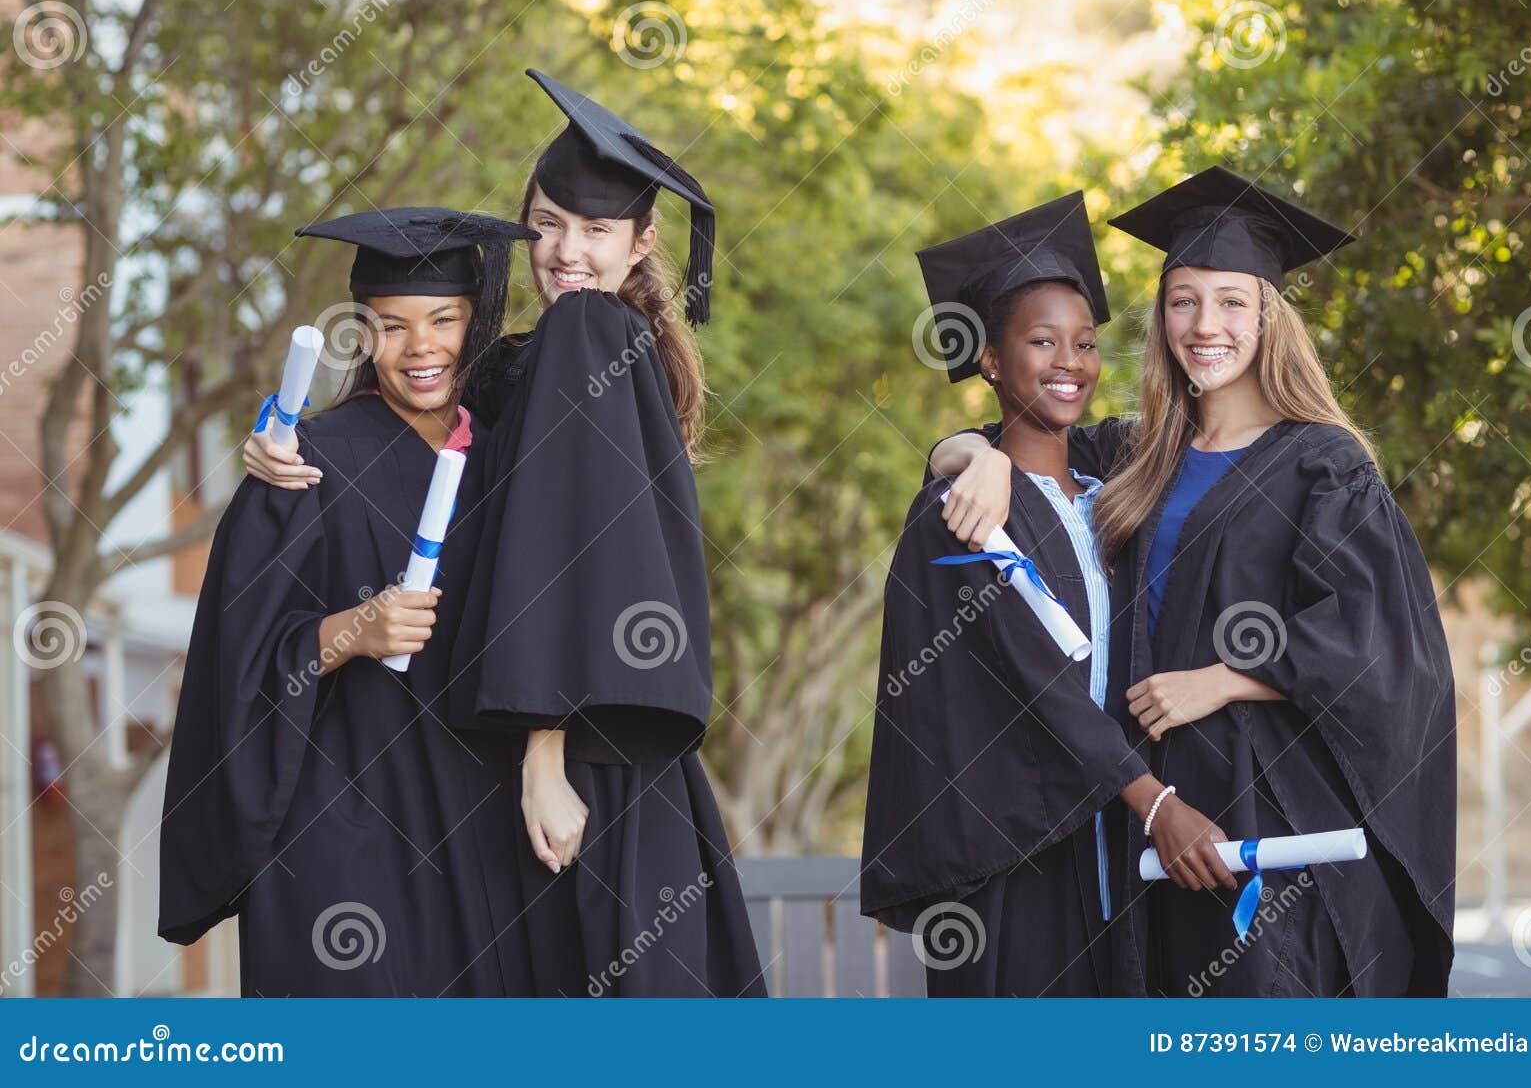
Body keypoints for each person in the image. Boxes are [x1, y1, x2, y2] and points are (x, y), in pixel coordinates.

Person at [242, 71, 765, 997]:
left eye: (595, 229)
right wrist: (278, 442)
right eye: (549, 222)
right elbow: (440, 421)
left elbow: (571, 549)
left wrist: (544, 753)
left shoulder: (590, 335)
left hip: (580, 753)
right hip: (619, 752)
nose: (565, 251)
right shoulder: (575, 348)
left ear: (642, 241)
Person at [926, 167, 1457, 996]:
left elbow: (1381, 642)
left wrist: (1223, 679)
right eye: (1183, 300)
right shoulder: (1140, 453)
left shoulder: (1323, 462)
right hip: (1152, 811)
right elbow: (1018, 431)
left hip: (1269, 807)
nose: (1204, 325)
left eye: (1232, 301)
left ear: (1269, 317)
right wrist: (972, 455)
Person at [860, 193, 1236, 997]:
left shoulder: (1114, 499)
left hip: (1112, 844)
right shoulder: (960, 516)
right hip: (1013, 850)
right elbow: (1039, 685)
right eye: (1041, 341)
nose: (1071, 361)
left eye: (1086, 342)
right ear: (991, 360)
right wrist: (1158, 801)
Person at [159, 207, 541, 995]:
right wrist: (352, 629)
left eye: (444, 319)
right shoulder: (306, 462)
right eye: (391, 325)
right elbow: (236, 654)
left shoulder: (516, 452)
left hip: (485, 813)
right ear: (361, 335)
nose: (422, 347)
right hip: (348, 817)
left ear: (478, 321)